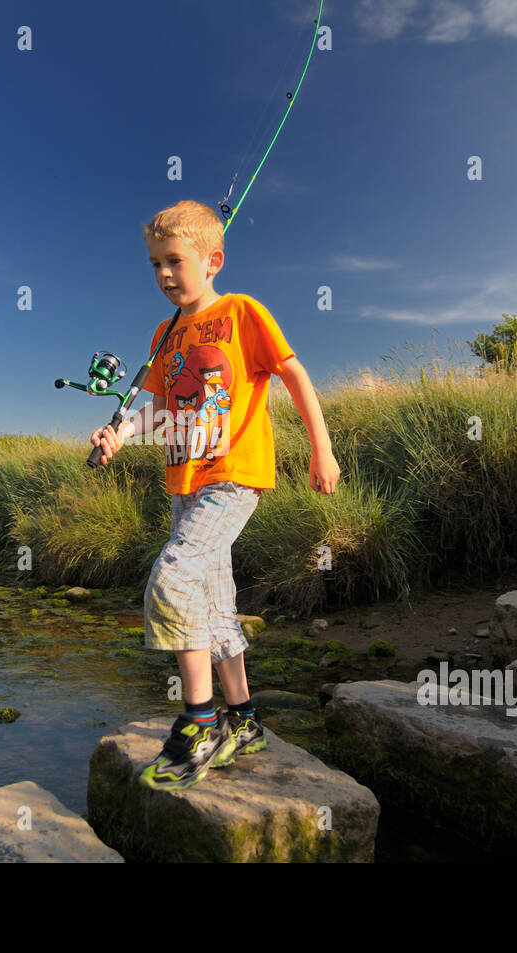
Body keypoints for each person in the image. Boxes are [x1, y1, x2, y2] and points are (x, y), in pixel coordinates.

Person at [90, 199, 339, 791]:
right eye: (155, 264)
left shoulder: (241, 312)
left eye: (175, 260)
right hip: (184, 482)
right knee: (215, 604)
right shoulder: (163, 334)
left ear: (213, 259)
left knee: (173, 580)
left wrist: (320, 448)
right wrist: (120, 433)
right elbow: (157, 408)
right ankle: (245, 718)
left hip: (234, 478)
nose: (165, 274)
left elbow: (293, 373)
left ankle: (200, 721)